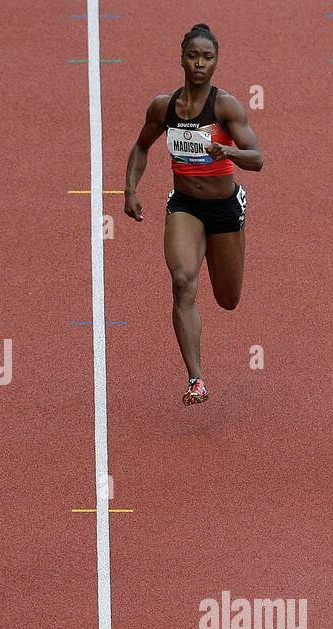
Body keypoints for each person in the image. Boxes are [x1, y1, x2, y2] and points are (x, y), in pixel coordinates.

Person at [123, 22, 263, 405]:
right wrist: (130, 187)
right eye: (193, 55)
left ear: (216, 62)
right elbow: (141, 146)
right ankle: (196, 378)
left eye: (208, 57)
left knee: (228, 299)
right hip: (185, 205)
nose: (200, 63)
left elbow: (258, 158)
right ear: (182, 57)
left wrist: (229, 152)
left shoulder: (225, 106)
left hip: (224, 207)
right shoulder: (164, 106)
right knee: (183, 281)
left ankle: (236, 221)